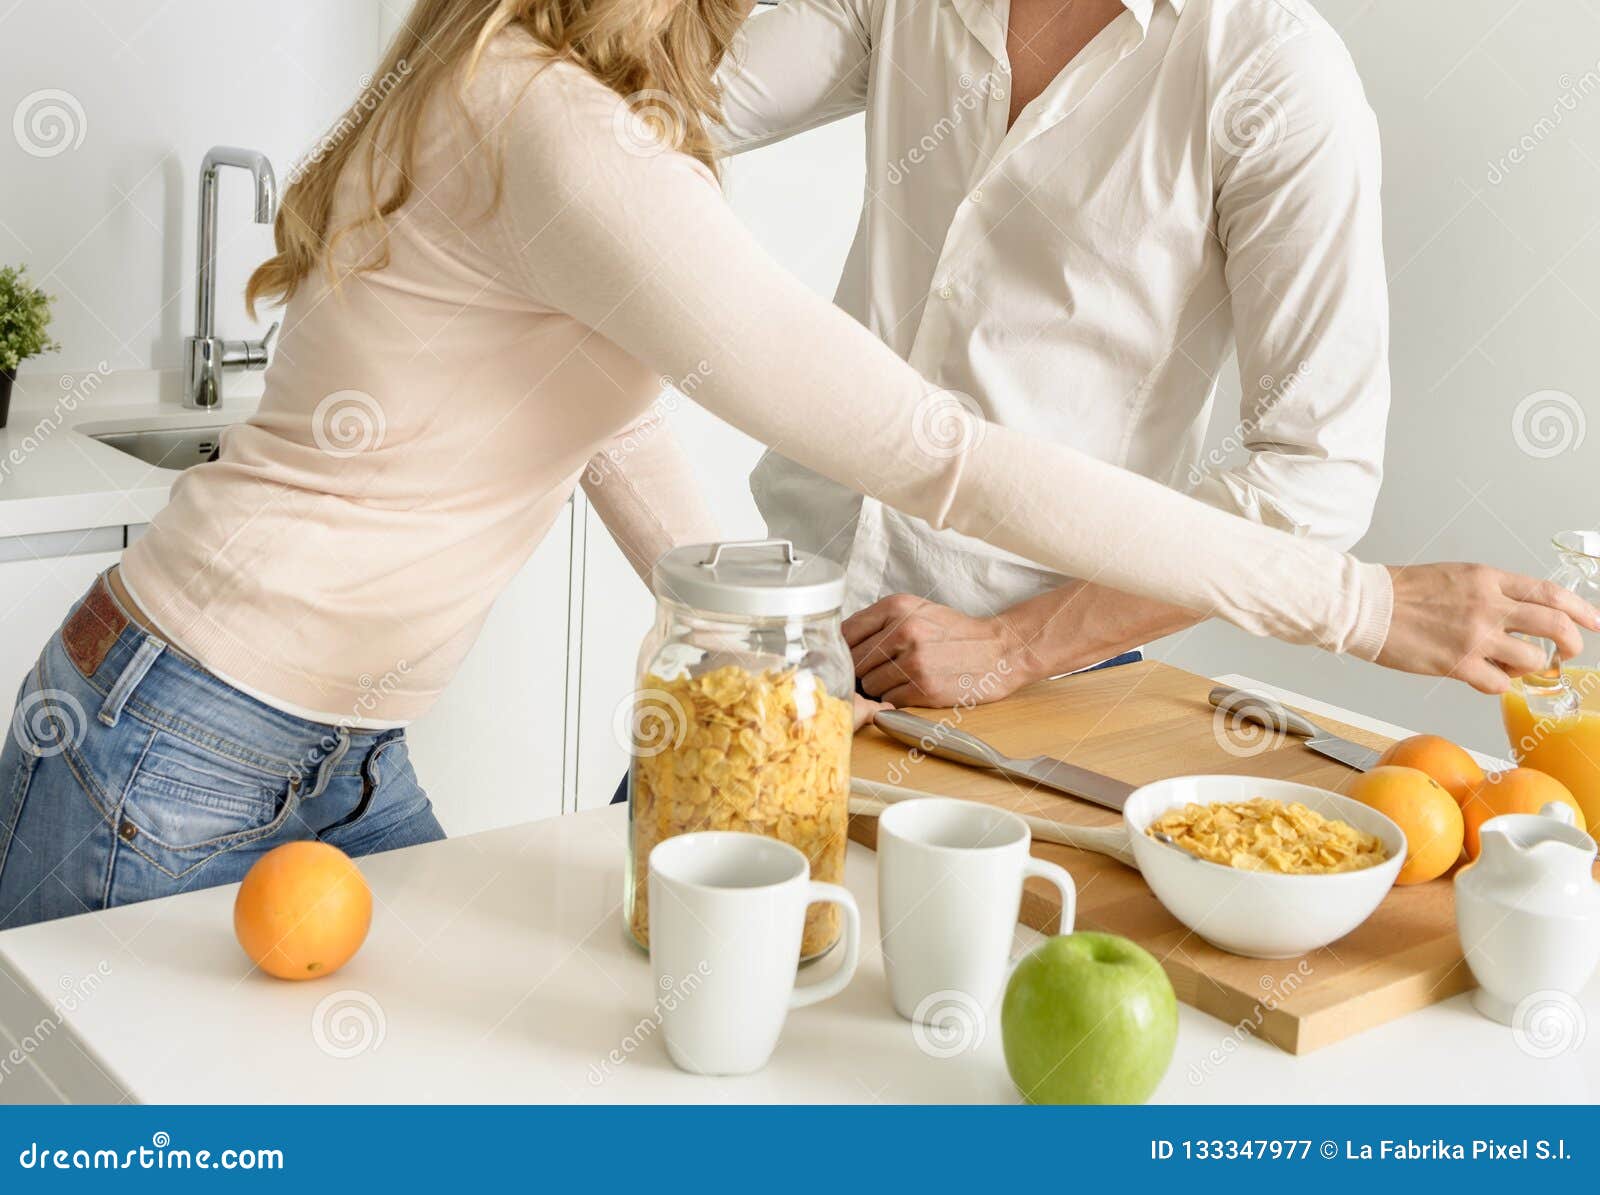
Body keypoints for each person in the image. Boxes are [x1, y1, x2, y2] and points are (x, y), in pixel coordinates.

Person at [0, 0, 1589, 931]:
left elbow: (607, 406)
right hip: (172, 750)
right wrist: (1360, 607)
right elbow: (924, 446)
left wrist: (786, 662)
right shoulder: (558, 120)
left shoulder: (536, 98)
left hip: (336, 751)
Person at [717, 0, 1398, 706]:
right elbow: (651, 107)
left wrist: (1015, 645)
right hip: (785, 620)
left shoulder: (1276, 69)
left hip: (1033, 687)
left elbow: (1318, 477)